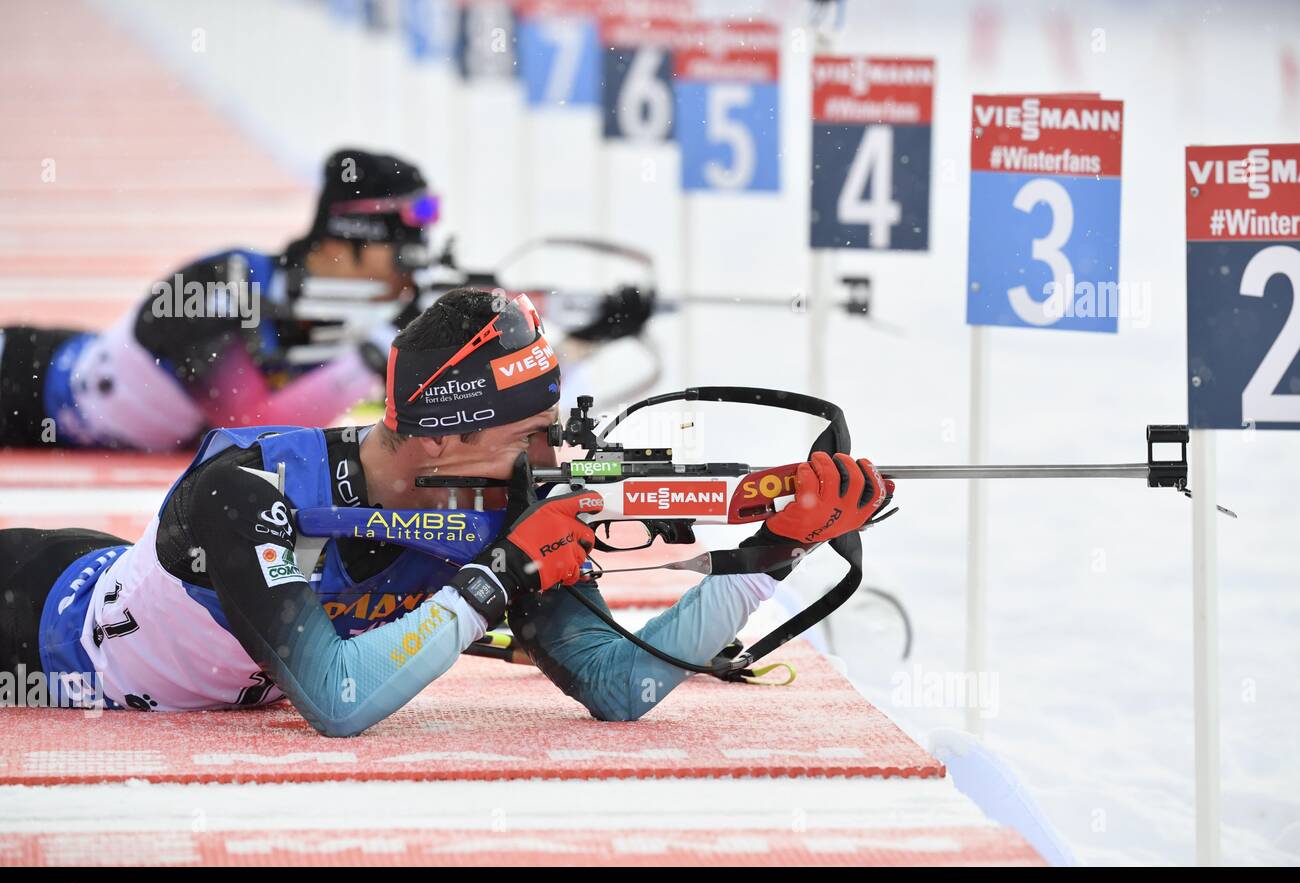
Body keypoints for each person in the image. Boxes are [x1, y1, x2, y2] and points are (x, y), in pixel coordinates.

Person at [0, 288, 892, 735]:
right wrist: (501, 576)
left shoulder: (494, 509)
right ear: (438, 442)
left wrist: (769, 555)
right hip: (35, 626)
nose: (556, 458)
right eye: (534, 432)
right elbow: (340, 704)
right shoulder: (247, 488)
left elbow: (621, 686)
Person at [0, 148, 435, 451]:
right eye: (401, 258)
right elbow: (251, 430)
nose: (407, 277)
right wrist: (375, 353)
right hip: (21, 385)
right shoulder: (225, 285)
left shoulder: (342, 313)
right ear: (346, 242)